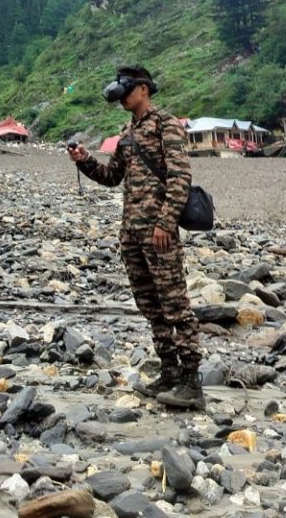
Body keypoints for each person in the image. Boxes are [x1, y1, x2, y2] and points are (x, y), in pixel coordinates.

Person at [68, 65, 204, 409]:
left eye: (127, 89)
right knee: (151, 306)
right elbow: (112, 176)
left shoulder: (165, 124)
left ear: (143, 89)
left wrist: (165, 223)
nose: (122, 97)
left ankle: (191, 382)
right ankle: (169, 373)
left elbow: (180, 177)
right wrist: (85, 161)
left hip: (159, 233)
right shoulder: (128, 132)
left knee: (175, 306)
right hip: (132, 233)